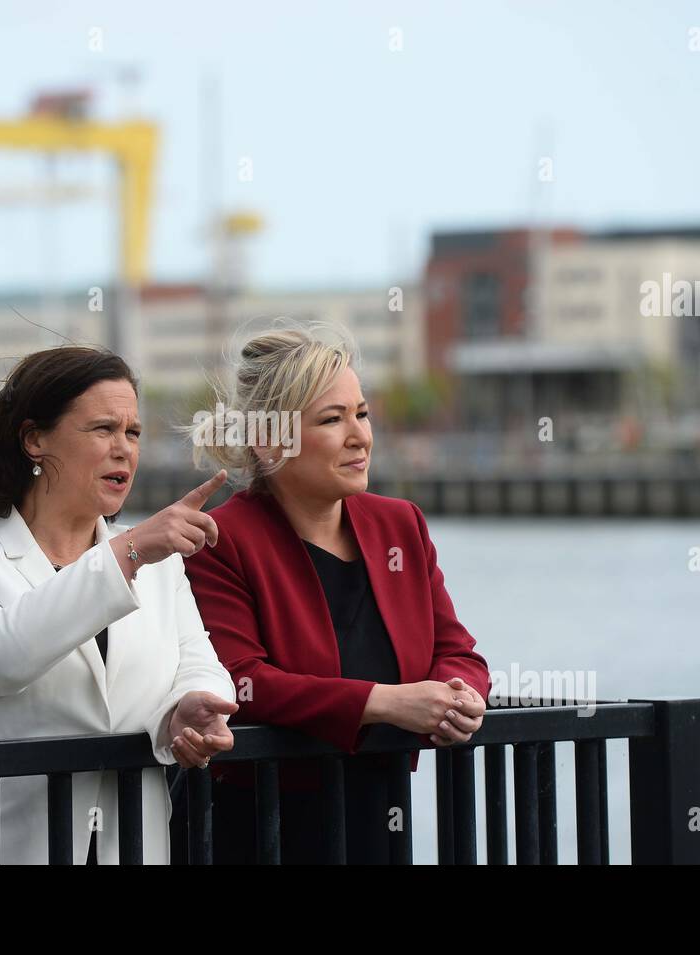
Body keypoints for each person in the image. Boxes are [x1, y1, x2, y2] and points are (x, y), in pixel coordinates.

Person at [0, 345, 237, 864]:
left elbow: (196, 658)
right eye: (102, 429)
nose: (124, 450)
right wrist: (126, 552)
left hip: (124, 845)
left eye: (133, 432)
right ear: (34, 440)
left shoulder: (155, 562)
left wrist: (189, 706)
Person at [182, 323, 490, 864]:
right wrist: (390, 702)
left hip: (378, 818)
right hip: (258, 829)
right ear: (271, 439)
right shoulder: (222, 540)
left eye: (362, 414)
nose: (360, 436)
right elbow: (242, 682)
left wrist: (459, 695)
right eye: (333, 419)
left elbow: (455, 649)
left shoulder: (401, 525)